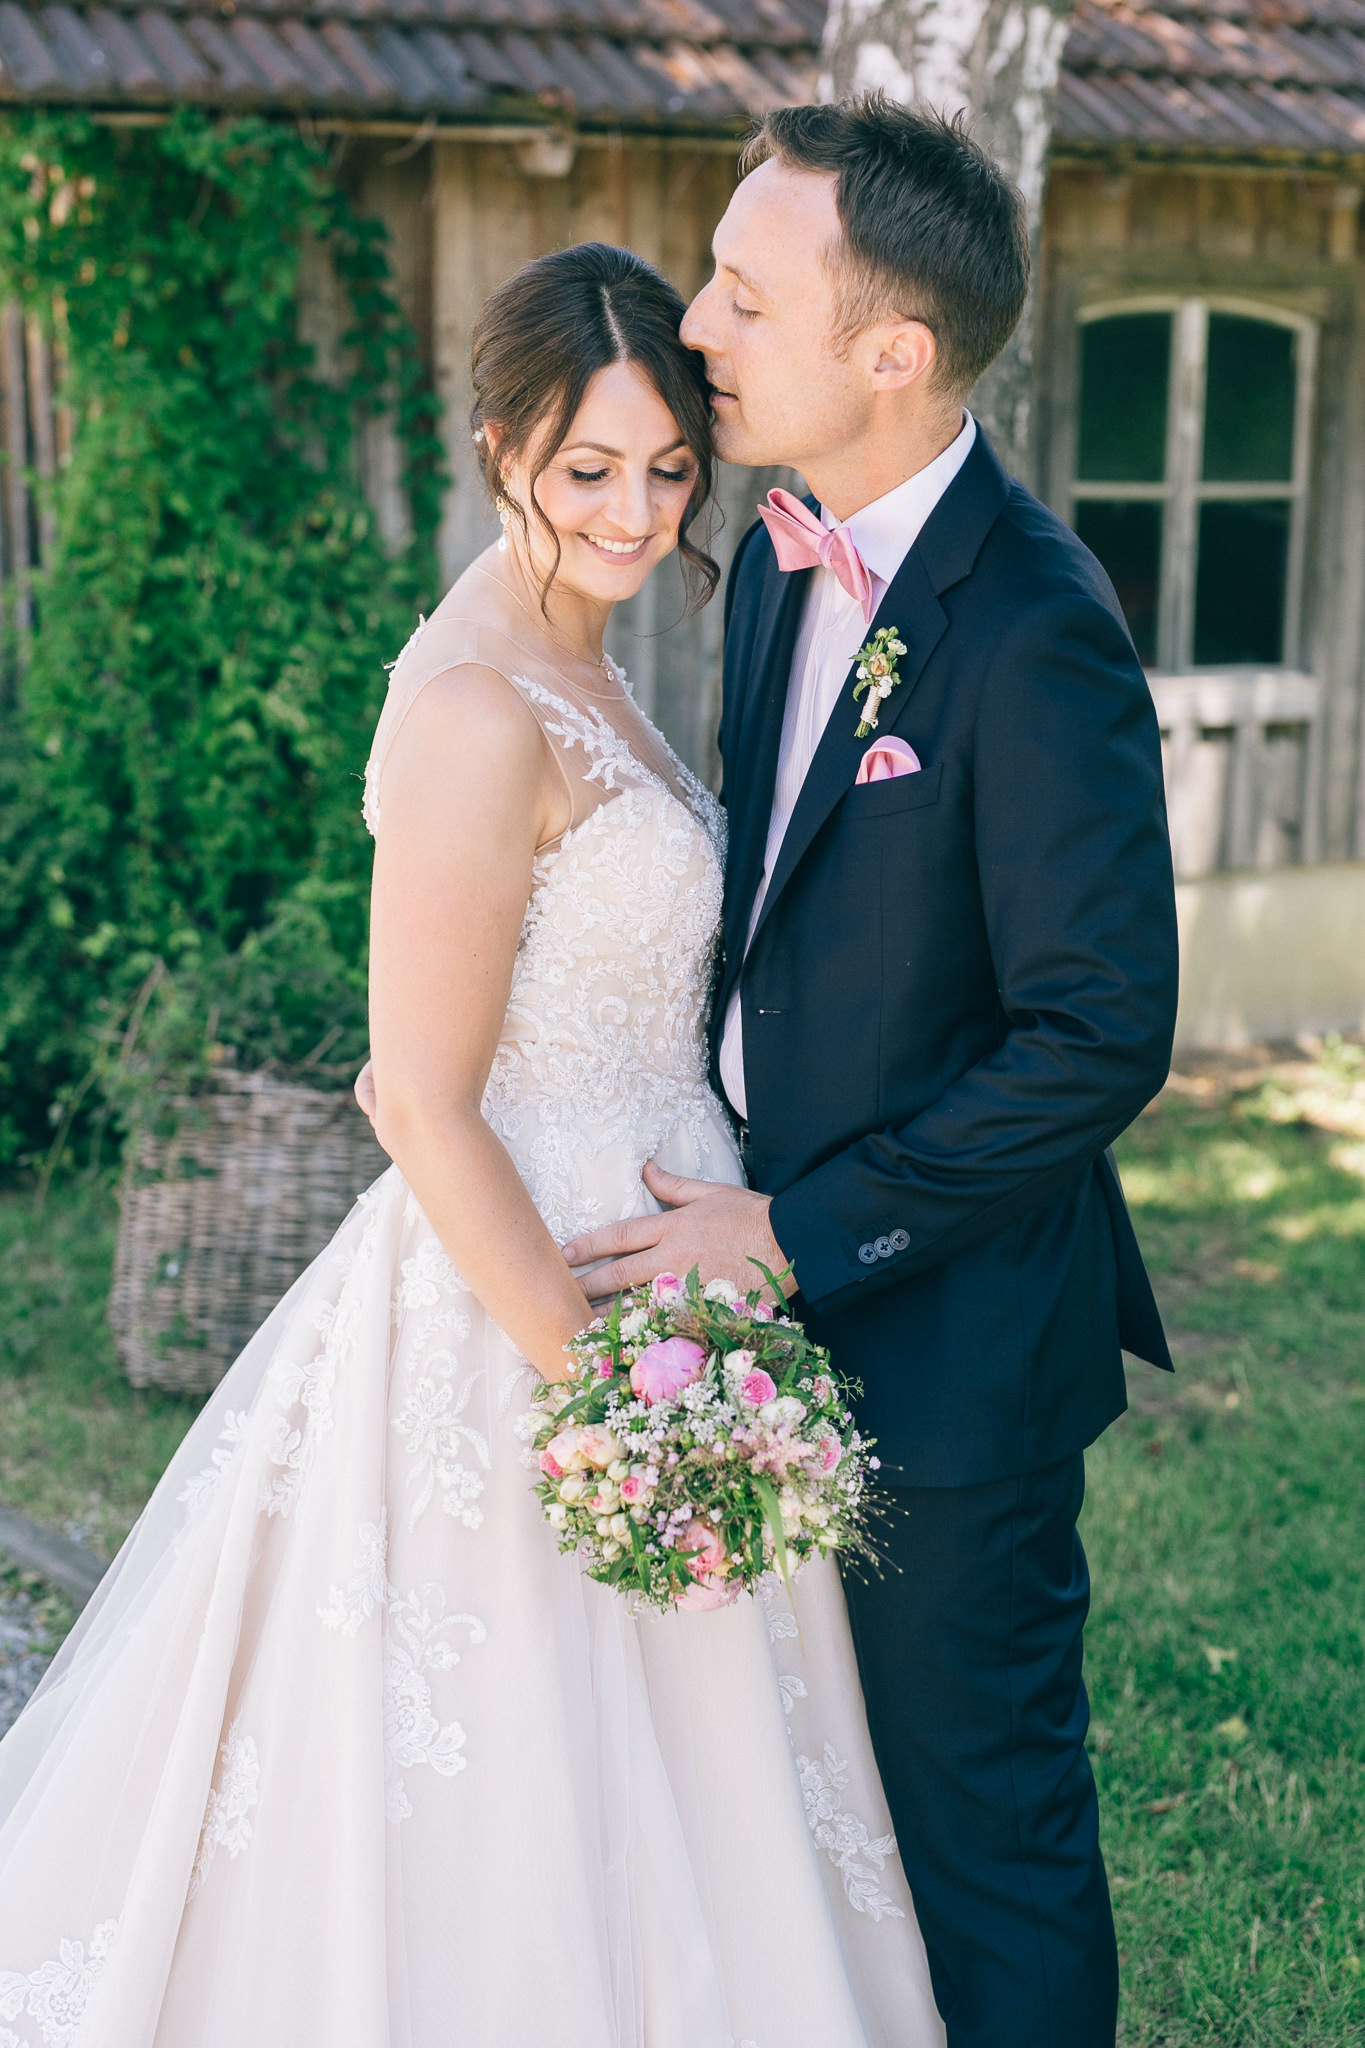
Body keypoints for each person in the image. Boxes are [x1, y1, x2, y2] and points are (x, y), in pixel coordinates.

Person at [0, 242, 945, 2048]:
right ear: (502, 438)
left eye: (666, 467)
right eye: (587, 467)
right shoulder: (469, 706)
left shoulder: (589, 657)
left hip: (669, 1260)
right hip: (540, 1298)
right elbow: (419, 1095)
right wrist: (605, 1387)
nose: (632, 507)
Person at [561, 99, 1180, 2048]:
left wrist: (797, 1231)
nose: (695, 321)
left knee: (974, 1833)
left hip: (951, 1352)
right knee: (803, 1828)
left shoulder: (1035, 630)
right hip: (748, 1306)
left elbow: (1097, 1030)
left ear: (888, 352)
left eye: (743, 293)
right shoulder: (762, 565)